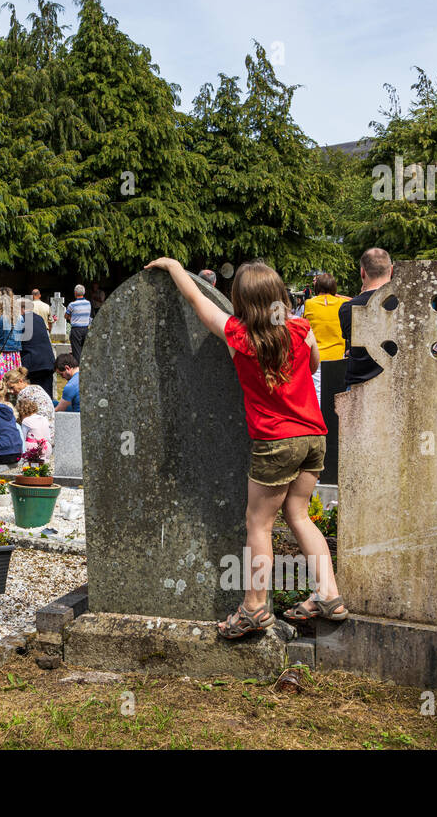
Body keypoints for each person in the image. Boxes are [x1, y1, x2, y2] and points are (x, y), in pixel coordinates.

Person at [146, 256, 345, 639]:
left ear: (240, 298)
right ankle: (329, 595)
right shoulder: (301, 328)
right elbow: (315, 367)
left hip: (276, 441)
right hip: (314, 437)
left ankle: (254, 607)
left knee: (259, 523)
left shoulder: (240, 335)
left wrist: (174, 267)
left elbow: (198, 303)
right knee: (299, 515)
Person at [338, 248, 394, 387]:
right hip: (395, 384)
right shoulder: (406, 304)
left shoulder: (348, 308)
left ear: (362, 272)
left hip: (360, 385)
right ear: (391, 270)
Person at [301, 273, 350, 405]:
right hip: (338, 356)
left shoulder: (309, 303)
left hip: (317, 356)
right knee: (337, 397)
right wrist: (337, 296)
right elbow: (355, 300)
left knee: (318, 396)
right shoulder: (342, 303)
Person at [4, 367, 56, 451]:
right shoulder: (37, 387)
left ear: (20, 381)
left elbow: (19, 419)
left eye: (12, 387)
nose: (11, 391)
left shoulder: (23, 394)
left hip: (37, 439)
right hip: (50, 434)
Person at [16, 299, 56, 399]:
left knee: (32, 396)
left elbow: (17, 340)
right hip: (47, 361)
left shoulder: (21, 319)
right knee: (46, 395)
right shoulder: (39, 318)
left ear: (22, 309)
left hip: (32, 362)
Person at [67, 284, 92, 362]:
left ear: (75, 293)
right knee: (85, 350)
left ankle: (78, 368)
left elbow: (66, 316)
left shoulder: (72, 305)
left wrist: (71, 318)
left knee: (76, 351)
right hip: (86, 328)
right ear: (84, 293)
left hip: (76, 329)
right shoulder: (88, 303)